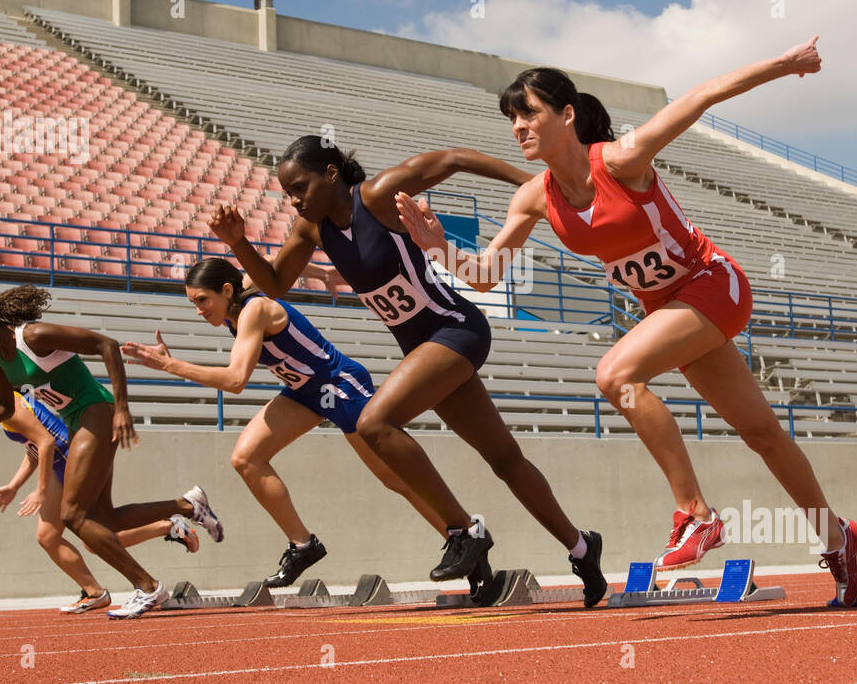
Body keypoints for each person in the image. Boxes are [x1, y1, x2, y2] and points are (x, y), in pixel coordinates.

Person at [395, 43, 857, 605]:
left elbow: (701, 96)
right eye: (512, 118)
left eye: (530, 112)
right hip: (669, 311)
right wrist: (440, 248)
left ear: (566, 114)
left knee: (615, 373)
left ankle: (696, 514)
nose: (519, 126)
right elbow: (486, 276)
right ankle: (839, 538)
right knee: (761, 432)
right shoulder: (533, 199)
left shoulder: (622, 160)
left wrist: (783, 65)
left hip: (713, 284)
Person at [209, 139, 608, 607]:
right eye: (288, 192)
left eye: (301, 186)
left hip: (456, 328)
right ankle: (582, 547)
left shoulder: (378, 195)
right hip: (425, 348)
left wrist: (539, 184)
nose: (295, 199)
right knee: (504, 459)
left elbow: (455, 158)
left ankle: (465, 531)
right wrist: (238, 244)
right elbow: (275, 284)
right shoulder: (311, 230)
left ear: (333, 173)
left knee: (373, 422)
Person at [121, 258, 448, 587]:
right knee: (246, 458)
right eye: (193, 303)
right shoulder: (239, 288)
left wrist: (170, 366)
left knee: (396, 479)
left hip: (338, 384)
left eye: (202, 301)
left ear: (226, 290)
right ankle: (303, 545)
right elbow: (275, 264)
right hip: (304, 391)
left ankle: (459, 537)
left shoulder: (253, 310)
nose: (199, 311)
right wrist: (323, 274)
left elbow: (236, 380)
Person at [0, 286, 224, 618]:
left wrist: (121, 407)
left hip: (97, 411)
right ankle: (189, 505)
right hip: (77, 422)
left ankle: (147, 586)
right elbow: (3, 409)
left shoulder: (33, 336)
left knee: (72, 515)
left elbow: (107, 345)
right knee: (105, 518)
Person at [0, 359, 200, 612]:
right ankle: (95, 592)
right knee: (51, 536)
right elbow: (34, 448)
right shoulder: (5, 407)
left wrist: (40, 490)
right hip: (59, 463)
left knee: (91, 537)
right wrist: (14, 486)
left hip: (67, 460)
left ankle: (167, 527)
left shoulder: (12, 406)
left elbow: (47, 443)